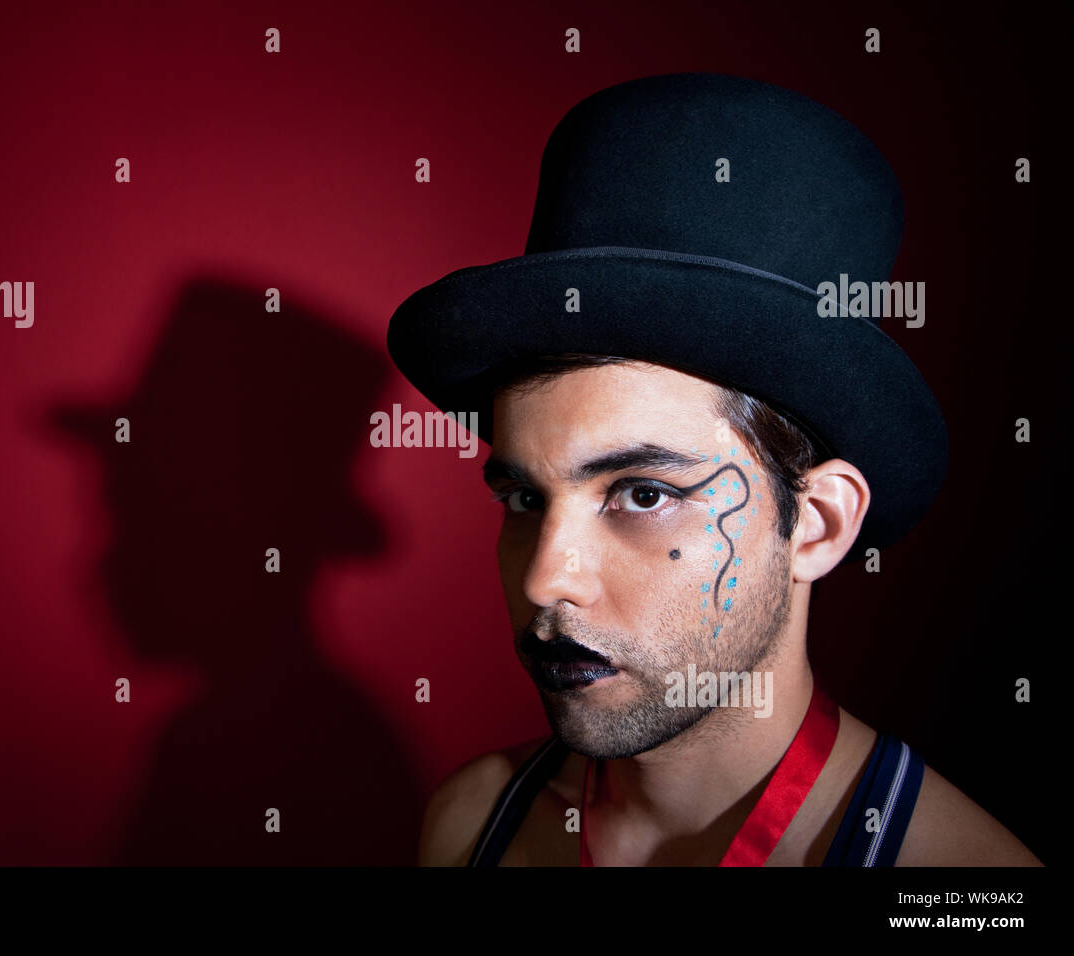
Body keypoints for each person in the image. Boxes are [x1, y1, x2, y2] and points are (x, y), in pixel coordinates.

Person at [385, 73, 1041, 866]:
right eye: (525, 495)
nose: (545, 581)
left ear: (821, 525)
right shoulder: (470, 825)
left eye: (643, 492)